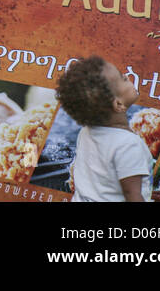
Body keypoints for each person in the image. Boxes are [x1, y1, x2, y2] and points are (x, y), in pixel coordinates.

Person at [57, 56, 152, 201]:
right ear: (119, 104)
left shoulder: (86, 132)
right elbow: (132, 194)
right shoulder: (128, 145)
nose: (127, 76)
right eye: (122, 78)